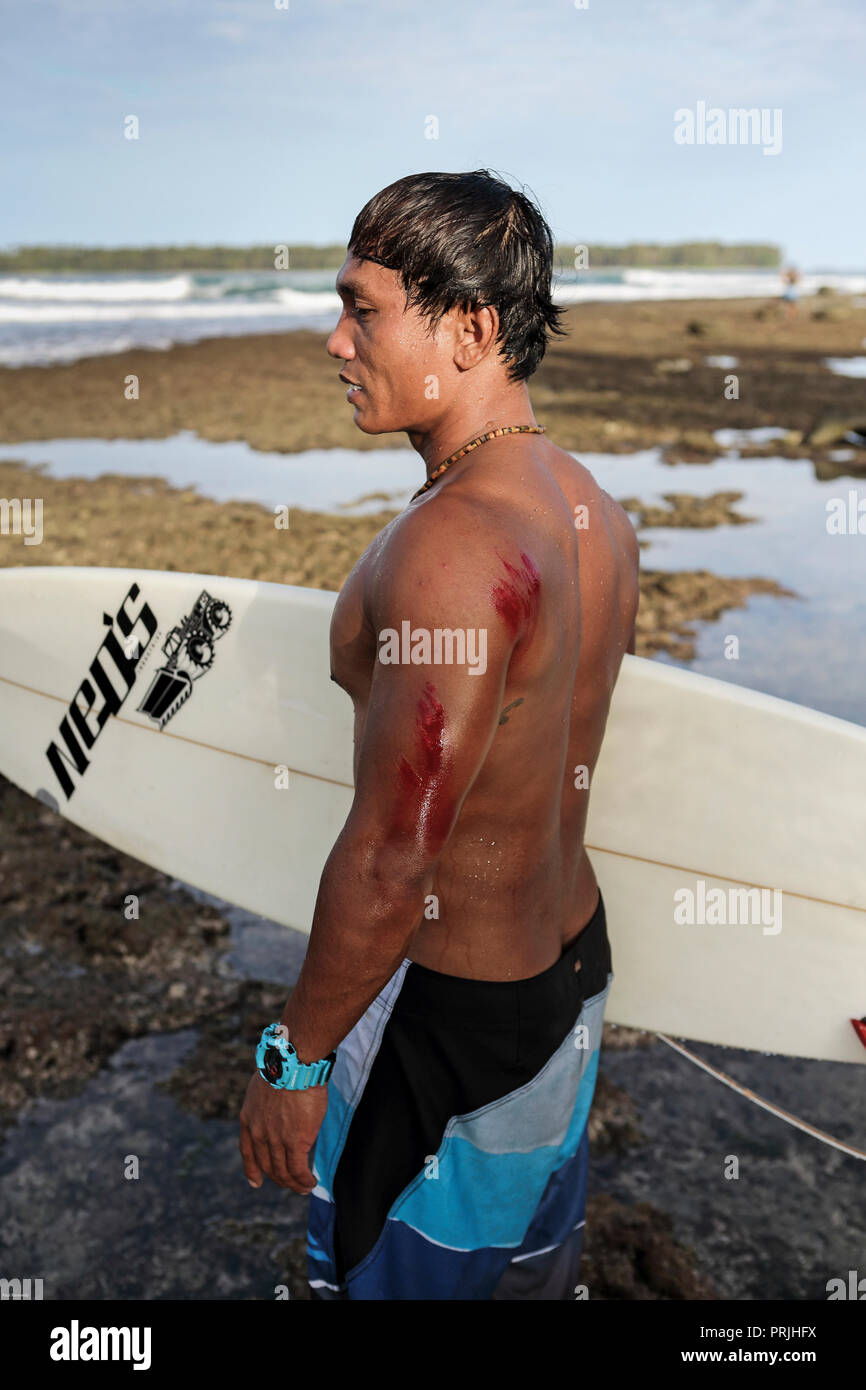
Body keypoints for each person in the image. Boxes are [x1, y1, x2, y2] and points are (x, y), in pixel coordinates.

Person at [238, 169, 640, 1300]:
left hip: (448, 1025)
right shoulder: (587, 509)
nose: (333, 339)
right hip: (565, 978)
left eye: (361, 308)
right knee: (513, 1279)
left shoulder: (452, 547)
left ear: (468, 329)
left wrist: (293, 1056)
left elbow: (394, 850)